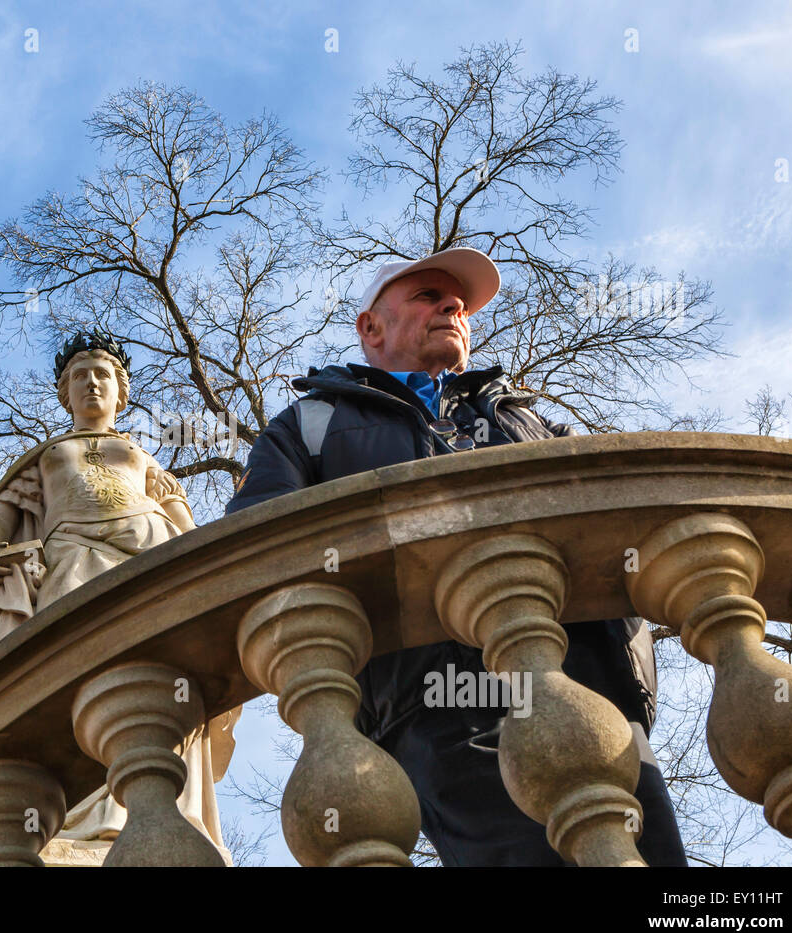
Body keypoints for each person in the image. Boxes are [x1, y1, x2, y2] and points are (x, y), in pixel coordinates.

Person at [225, 248, 688, 866]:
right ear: (371, 328)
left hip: (586, 683)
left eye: (460, 303)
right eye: (427, 296)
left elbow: (612, 519)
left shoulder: (521, 416)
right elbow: (256, 550)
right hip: (438, 696)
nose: (453, 306)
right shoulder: (312, 423)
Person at [0, 329, 240, 865]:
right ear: (64, 393)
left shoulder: (140, 456)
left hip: (151, 561)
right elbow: (0, 515)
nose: (91, 383)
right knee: (79, 673)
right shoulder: (46, 456)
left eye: (103, 375)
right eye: (79, 376)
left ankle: (170, 812)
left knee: (169, 676)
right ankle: (91, 822)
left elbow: (184, 524)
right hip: (72, 562)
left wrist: (210, 581)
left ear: (121, 391)